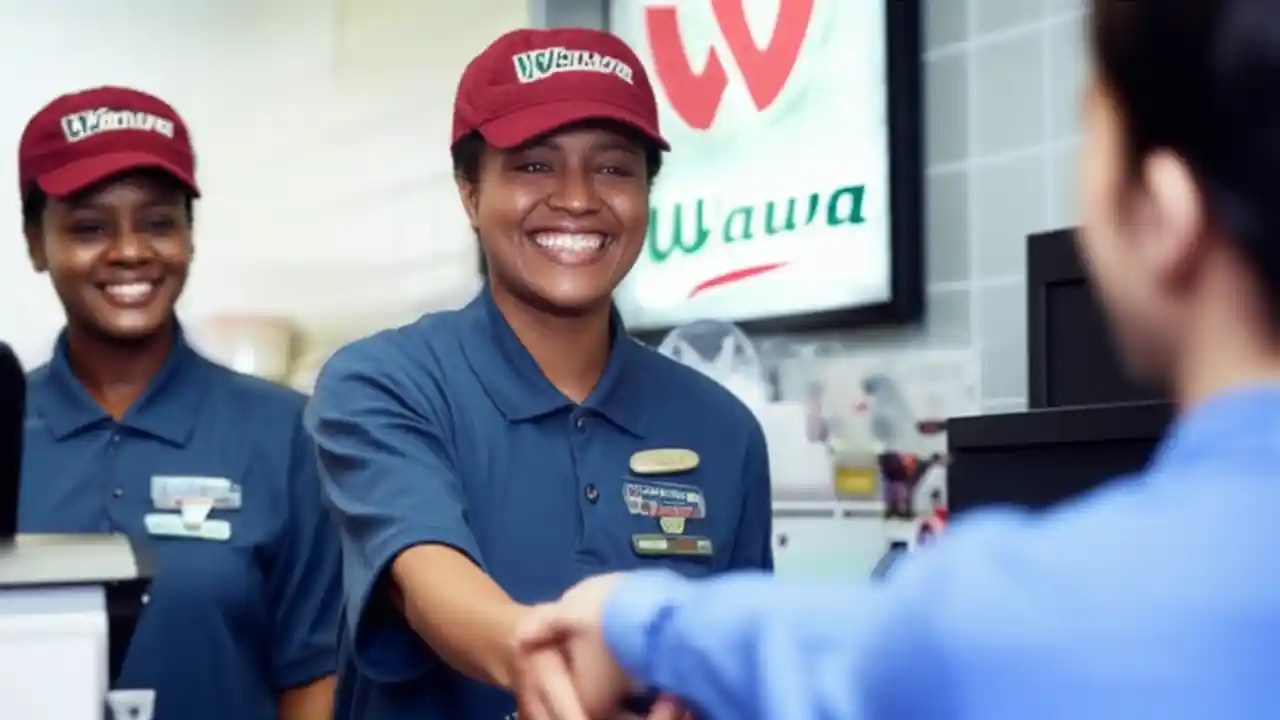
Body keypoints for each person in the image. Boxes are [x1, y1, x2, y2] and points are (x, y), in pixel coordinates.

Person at [511, 0, 1280, 717]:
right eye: (534, 165)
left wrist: (627, 621)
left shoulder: (1034, 620)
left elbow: (893, 647)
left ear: (1163, 213)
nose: (576, 199)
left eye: (1090, 133)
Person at [303, 27, 774, 720]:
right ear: (469, 193)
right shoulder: (382, 384)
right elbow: (426, 573)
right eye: (533, 166)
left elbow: (742, 663)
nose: (578, 199)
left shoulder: (722, 430)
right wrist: (539, 656)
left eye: (614, 168)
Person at [17, 86, 341, 719]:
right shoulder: (7, 431)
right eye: (89, 227)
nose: (131, 251)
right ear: (36, 241)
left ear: (190, 236)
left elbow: (313, 675)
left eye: (159, 221)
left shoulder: (284, 435)